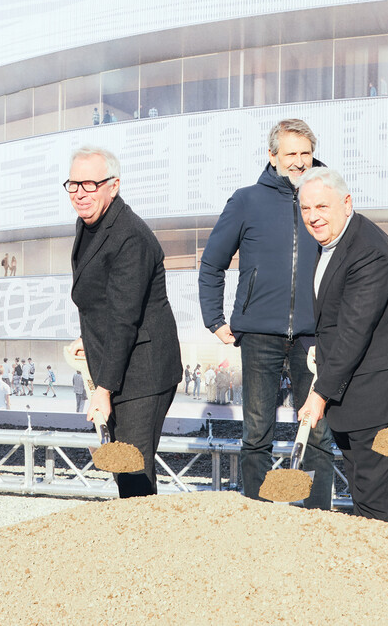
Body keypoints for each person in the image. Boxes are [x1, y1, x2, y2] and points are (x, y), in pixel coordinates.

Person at [198, 118, 335, 509]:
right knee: (257, 432)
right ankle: (257, 517)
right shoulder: (246, 200)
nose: (298, 161)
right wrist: (215, 319)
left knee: (317, 432)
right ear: (271, 156)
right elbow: (212, 263)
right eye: (290, 153)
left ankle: (316, 516)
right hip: (258, 336)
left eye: (305, 153)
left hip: (313, 336)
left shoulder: (325, 199)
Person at [296, 167, 388, 521]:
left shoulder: (368, 251)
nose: (313, 217)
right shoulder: (335, 242)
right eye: (306, 209)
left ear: (346, 202)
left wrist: (319, 394)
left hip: (381, 398)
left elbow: (355, 331)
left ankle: (384, 573)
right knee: (363, 495)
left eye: (321, 207)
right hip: (356, 398)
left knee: (375, 505)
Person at [66, 145, 182, 498]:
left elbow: (123, 318)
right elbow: (102, 300)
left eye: (90, 184)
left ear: (113, 186)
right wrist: (89, 337)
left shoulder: (130, 236)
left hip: (144, 372)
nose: (80, 194)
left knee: (132, 470)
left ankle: (143, 546)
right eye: (73, 184)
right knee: (123, 469)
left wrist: (102, 391)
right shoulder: (91, 224)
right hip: (120, 362)